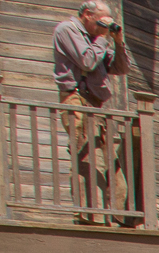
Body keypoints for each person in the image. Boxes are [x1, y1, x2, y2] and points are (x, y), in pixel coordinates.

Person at [53, 2, 131, 214]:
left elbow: (121, 68)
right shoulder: (67, 29)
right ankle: (90, 216)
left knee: (111, 164)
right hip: (76, 99)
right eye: (101, 22)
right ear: (87, 14)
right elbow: (87, 61)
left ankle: (118, 216)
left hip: (96, 105)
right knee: (86, 158)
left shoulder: (99, 40)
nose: (104, 27)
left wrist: (117, 40)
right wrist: (103, 38)